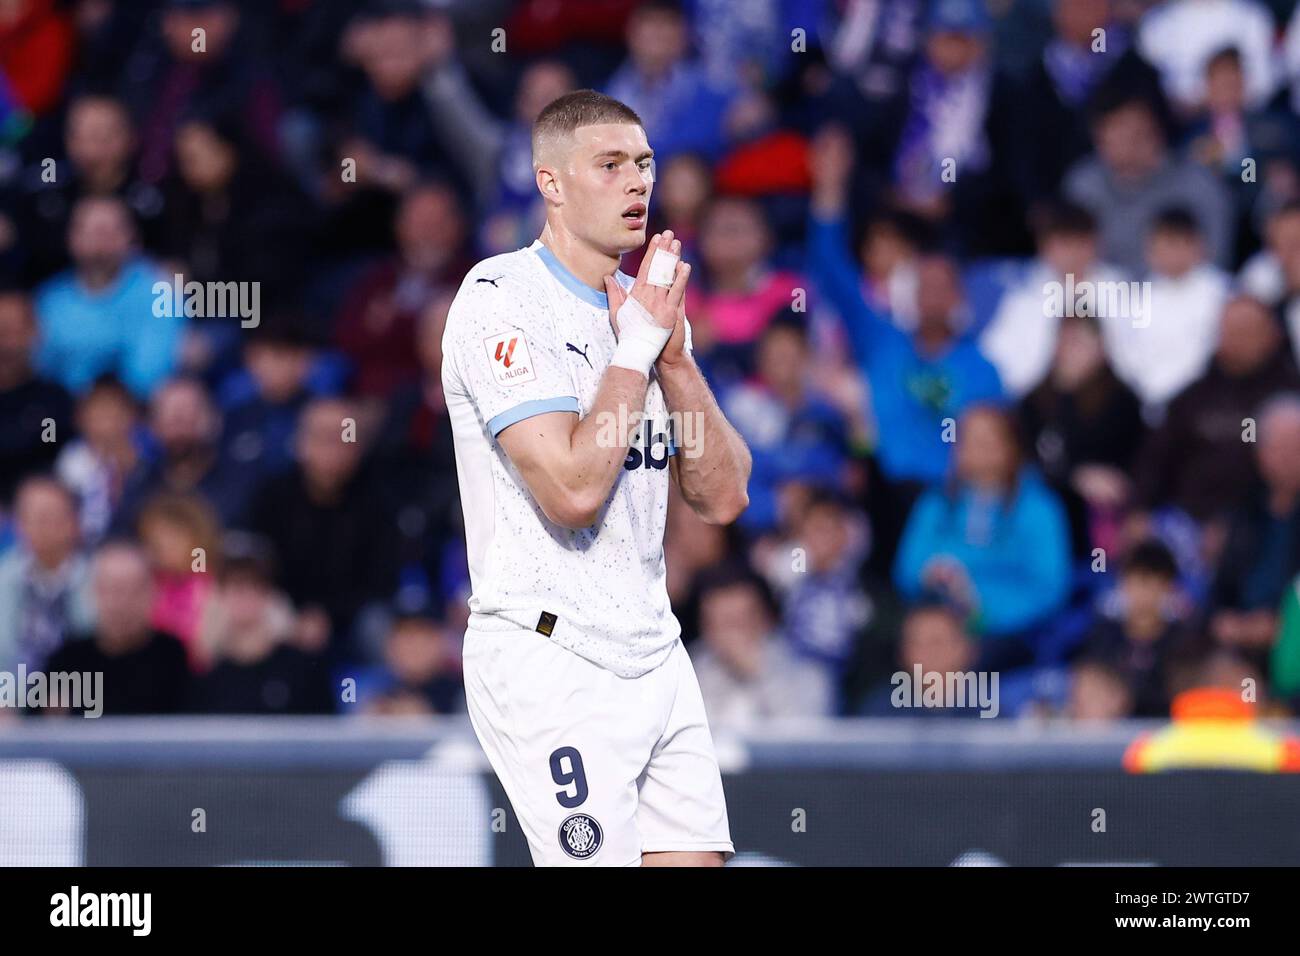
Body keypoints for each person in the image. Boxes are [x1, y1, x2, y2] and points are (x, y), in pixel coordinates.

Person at [441, 90, 751, 867]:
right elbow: (573, 493)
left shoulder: (646, 312)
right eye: (609, 165)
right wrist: (636, 349)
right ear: (551, 182)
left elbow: (725, 497)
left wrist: (672, 357)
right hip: (552, 651)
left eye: (644, 164)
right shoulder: (500, 300)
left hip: (655, 646)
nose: (636, 183)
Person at [893, 403, 1072, 655]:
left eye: (988, 439)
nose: (977, 449)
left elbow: (1049, 589)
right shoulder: (937, 502)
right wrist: (932, 574)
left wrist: (980, 606)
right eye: (968, 439)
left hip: (1011, 635)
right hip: (939, 625)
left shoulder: (1039, 509)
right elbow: (907, 569)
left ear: (1011, 447)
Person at [45, 541, 190, 716]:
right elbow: (33, 729)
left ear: (152, 593)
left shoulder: (174, 658)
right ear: (92, 593)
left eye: (132, 590)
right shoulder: (66, 662)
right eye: (111, 589)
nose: (120, 603)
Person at [690, 565, 833, 729]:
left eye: (739, 622)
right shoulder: (689, 671)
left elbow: (803, 740)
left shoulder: (809, 675)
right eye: (720, 624)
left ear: (767, 620)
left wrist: (759, 673)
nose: (731, 636)